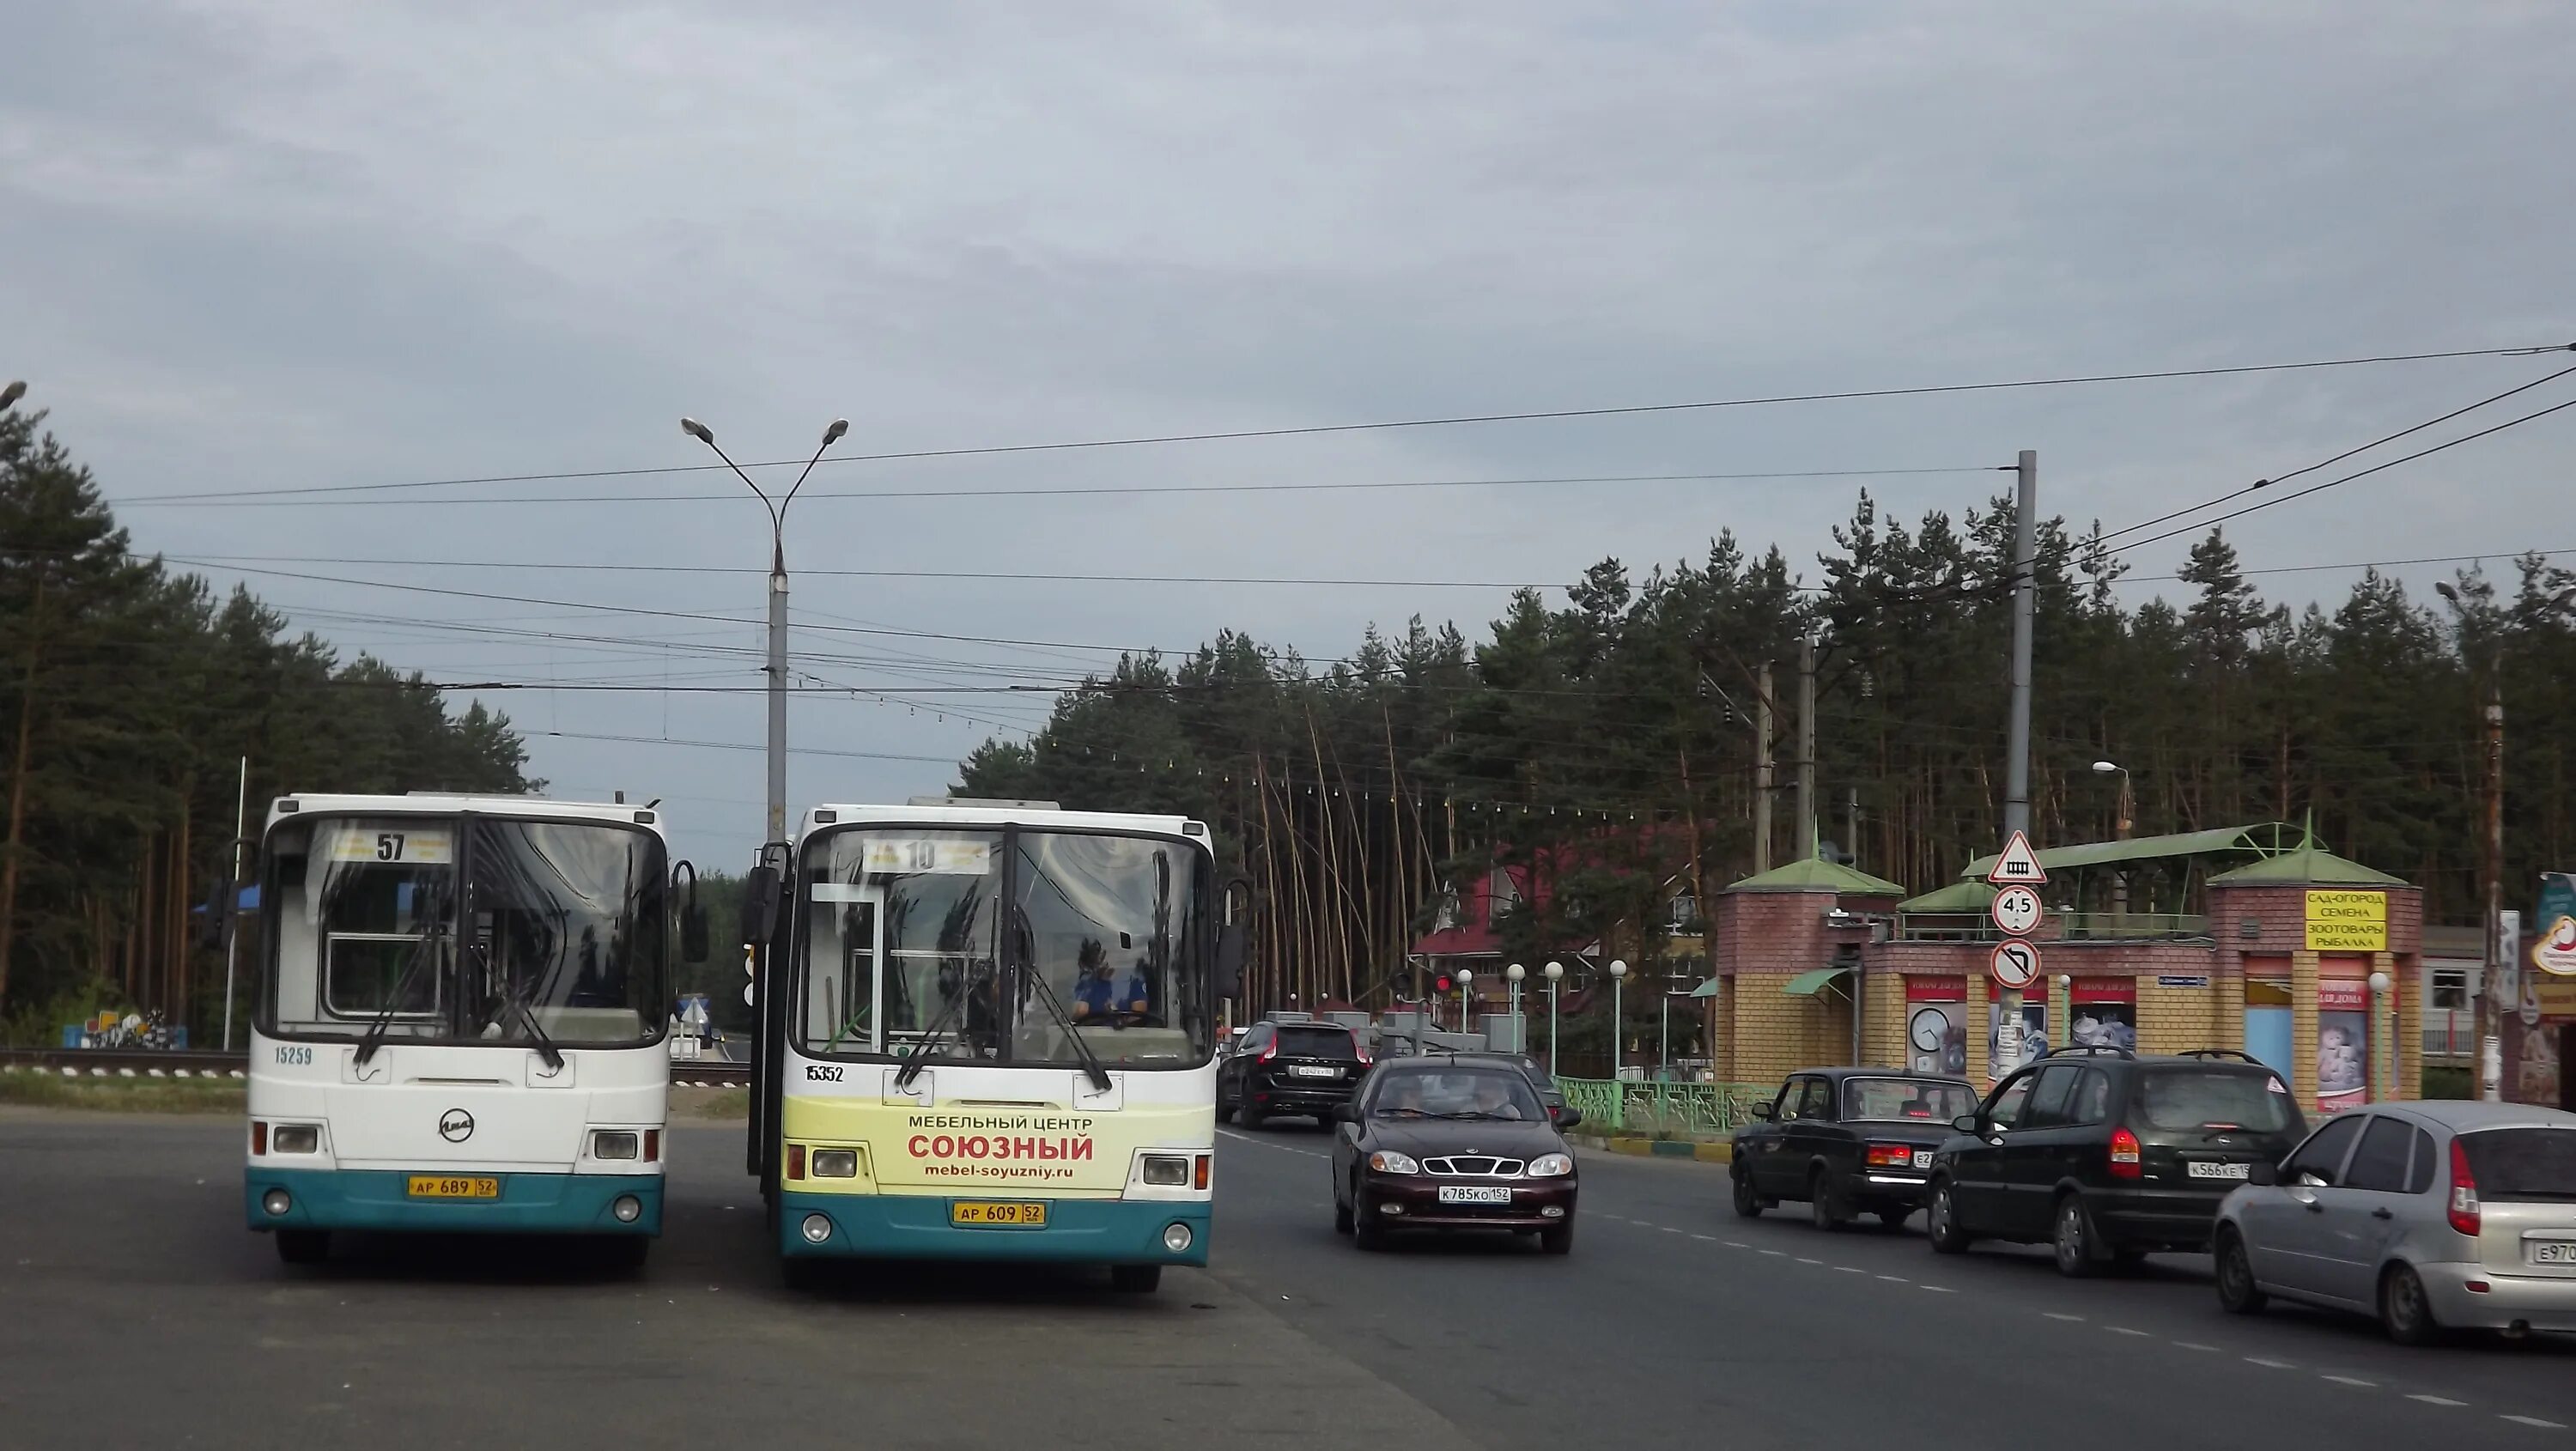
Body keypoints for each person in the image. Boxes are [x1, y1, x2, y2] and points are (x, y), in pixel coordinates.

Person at [1072, 939, 1149, 1021]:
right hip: (1090, 1032)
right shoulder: (1085, 985)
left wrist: (1118, 1018)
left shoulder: (1134, 981)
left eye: (1104, 954)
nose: (1103, 960)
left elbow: (1139, 1015)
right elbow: (1080, 1013)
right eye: (1096, 957)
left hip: (1127, 1032)